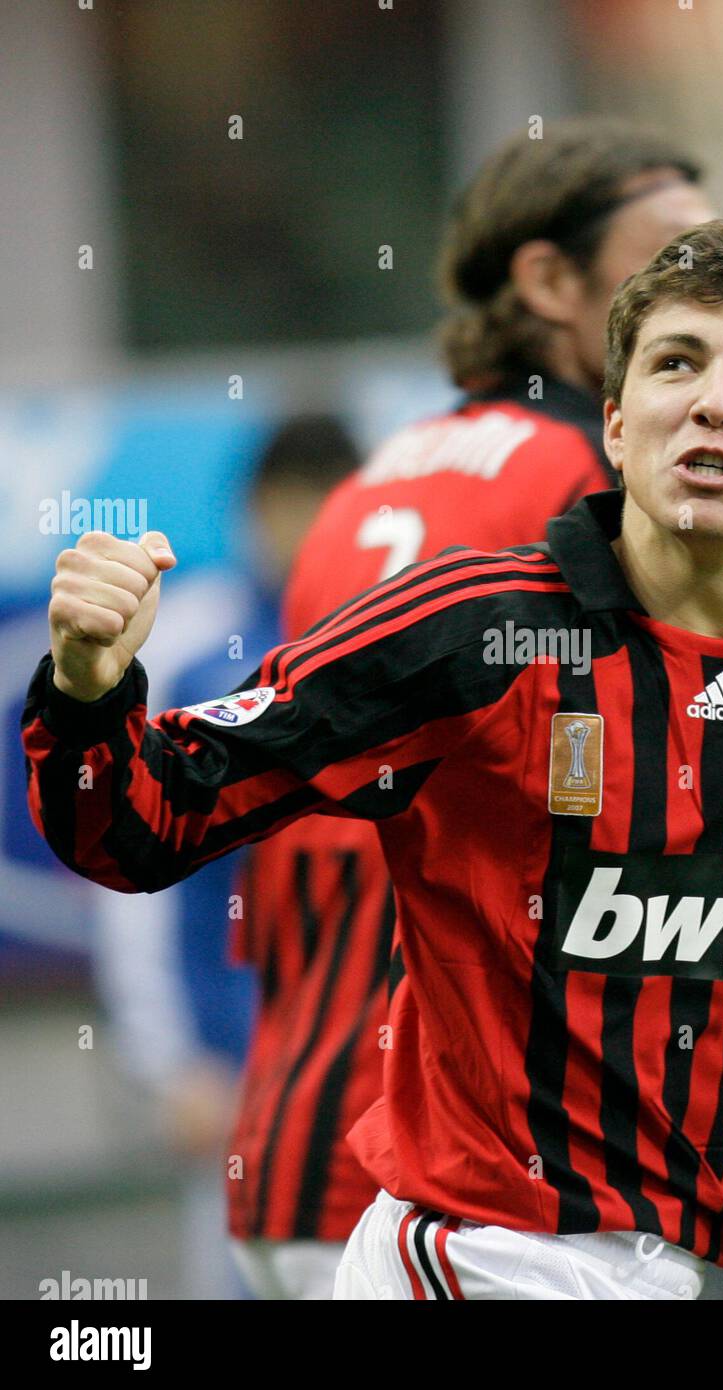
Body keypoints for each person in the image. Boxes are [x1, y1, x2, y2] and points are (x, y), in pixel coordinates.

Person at [24, 219, 723, 1301]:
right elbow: (139, 822)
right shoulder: (468, 634)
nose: (713, 401)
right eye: (675, 363)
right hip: (471, 1256)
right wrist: (90, 688)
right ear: (614, 425)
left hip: (672, 1272)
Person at [223, 117, 713, 1298]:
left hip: (299, 1147)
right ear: (548, 279)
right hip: (468, 1198)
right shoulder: (598, 493)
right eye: (677, 264)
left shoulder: (370, 484)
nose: (713, 304)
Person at [89, 415, 360, 1298]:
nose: (312, 528)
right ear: (256, 510)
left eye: (333, 504)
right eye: (295, 506)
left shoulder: (393, 644)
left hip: (374, 1083)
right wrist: (173, 1062)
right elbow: (132, 874)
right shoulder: (190, 651)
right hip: (237, 1077)